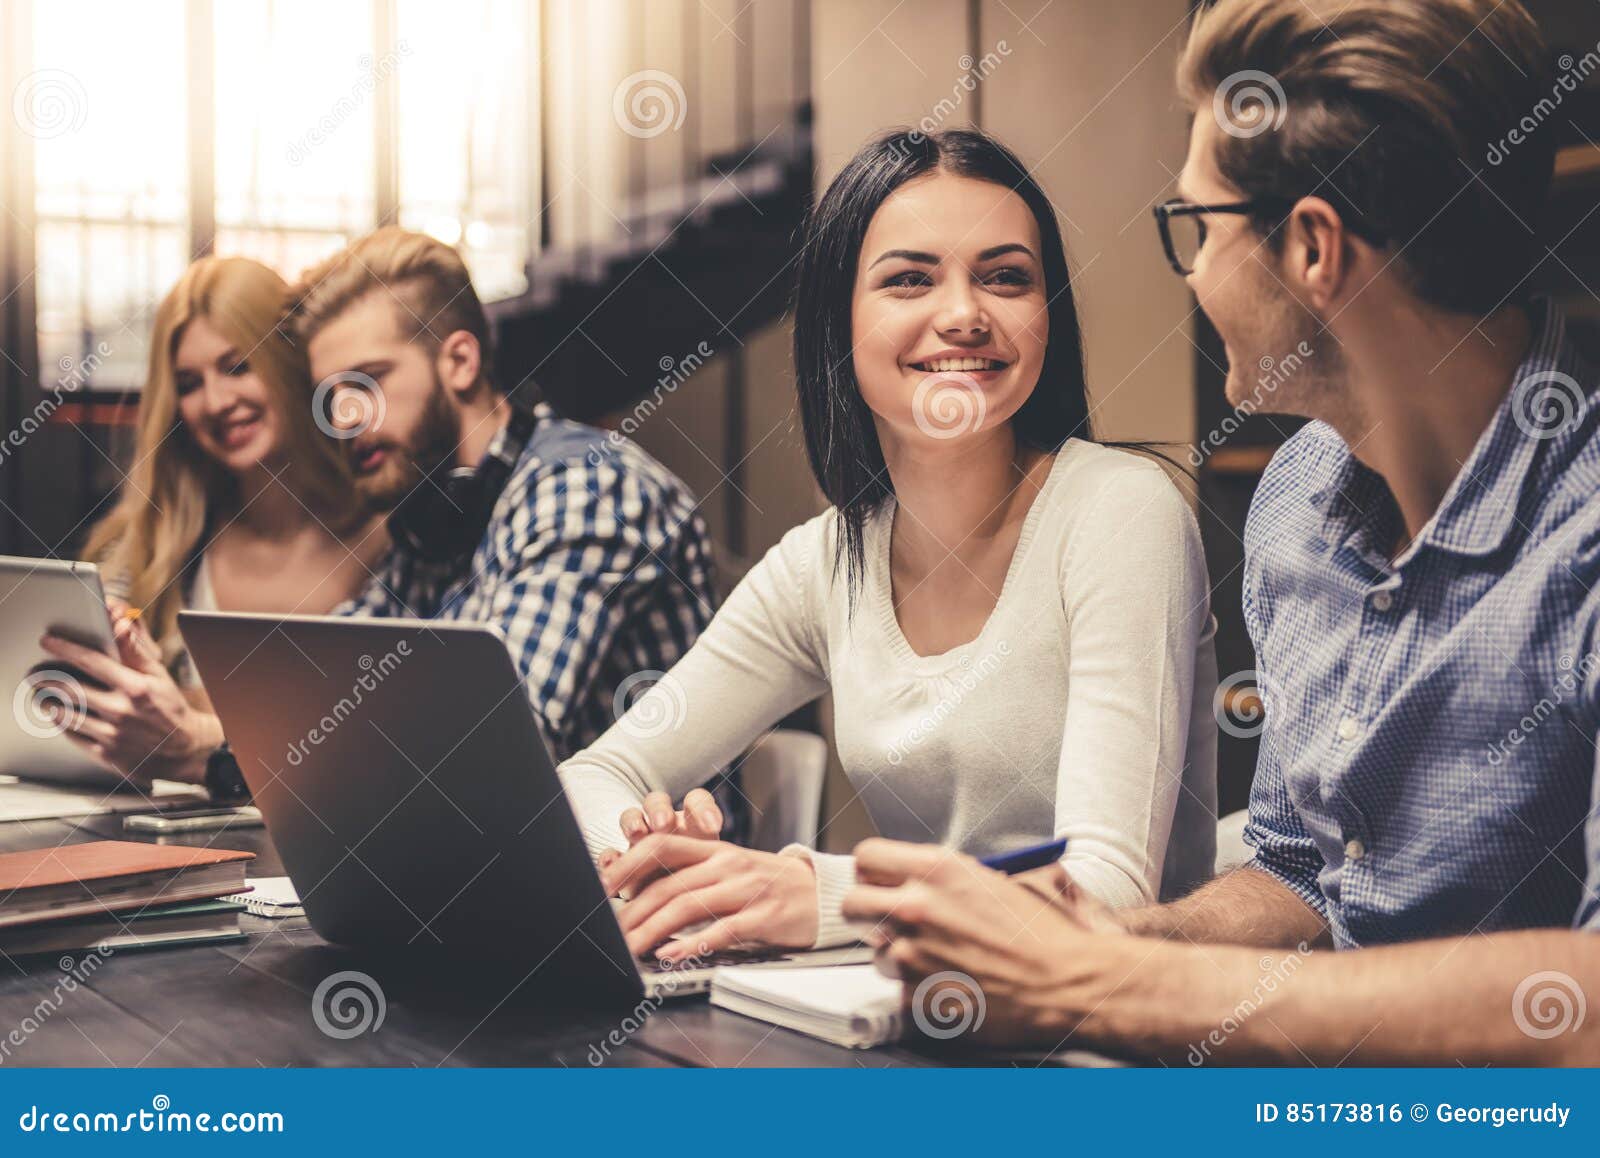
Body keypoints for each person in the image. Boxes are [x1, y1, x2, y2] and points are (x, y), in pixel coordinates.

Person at [845, 0, 1600, 1066]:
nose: (1192, 273)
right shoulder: (1296, 498)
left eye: (1197, 228)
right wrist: (1099, 938)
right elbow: (1300, 876)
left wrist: (1110, 981)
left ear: (1311, 250)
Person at [559, 128, 1218, 963]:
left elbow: (1106, 895)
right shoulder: (824, 562)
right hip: (925, 1015)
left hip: (1123, 1038)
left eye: (1006, 278)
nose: (964, 314)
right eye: (910, 279)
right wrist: (653, 855)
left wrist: (825, 895)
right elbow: (591, 773)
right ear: (839, 322)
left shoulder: (1121, 513)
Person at [286, 227, 721, 769]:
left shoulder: (584, 488)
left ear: (461, 362)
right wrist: (198, 736)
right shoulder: (435, 513)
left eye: (367, 381)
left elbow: (493, 747)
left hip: (651, 852)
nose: (345, 418)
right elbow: (311, 698)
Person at [40, 256, 388, 789]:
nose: (217, 402)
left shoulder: (391, 537)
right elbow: (76, 698)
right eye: (189, 383)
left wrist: (192, 718)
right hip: (182, 854)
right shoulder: (156, 541)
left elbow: (382, 745)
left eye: (237, 366)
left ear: (291, 363)